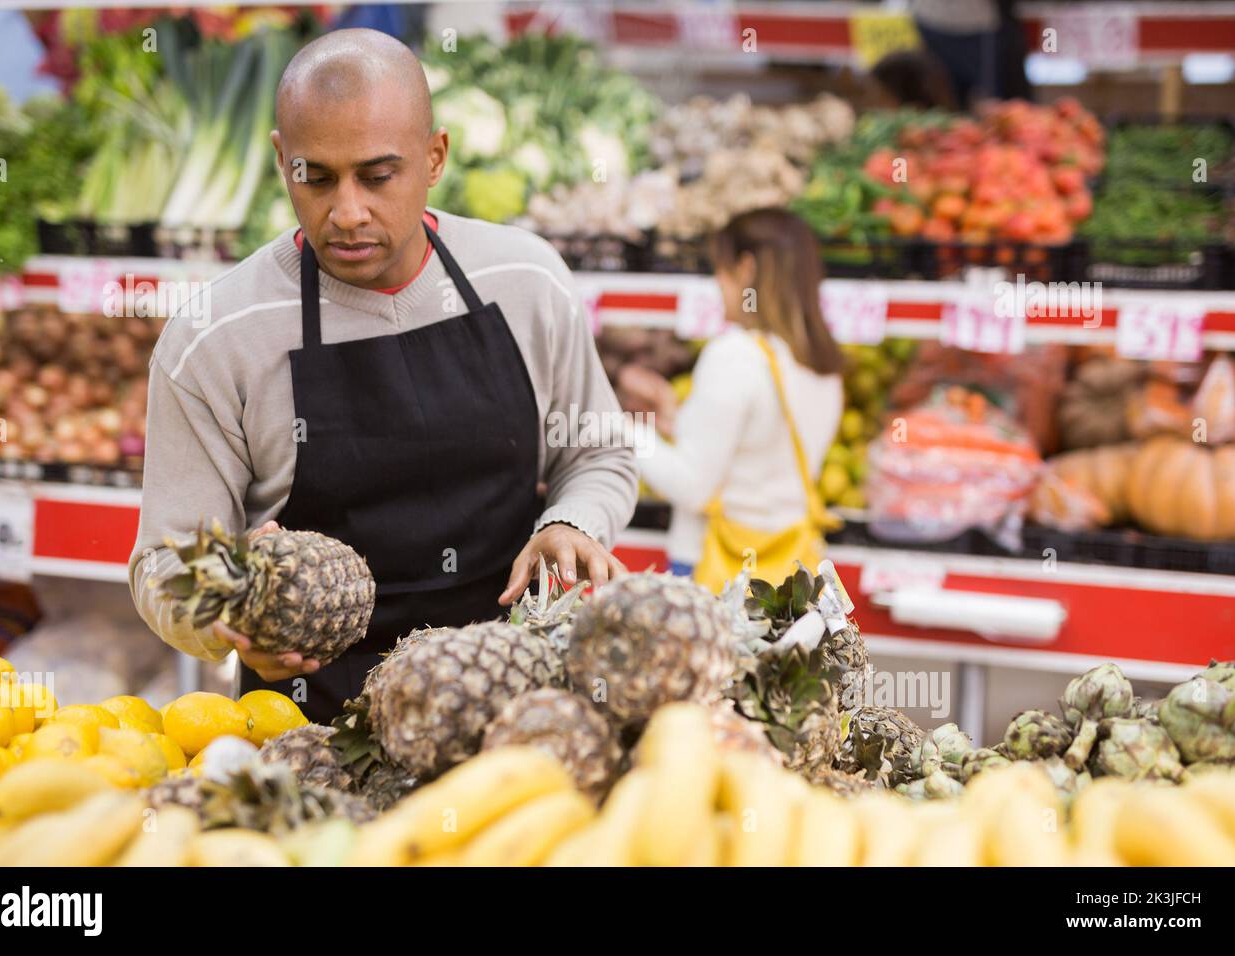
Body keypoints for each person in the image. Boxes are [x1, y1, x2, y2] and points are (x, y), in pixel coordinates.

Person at [129, 30, 636, 722]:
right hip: (314, 732)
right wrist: (226, 611)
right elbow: (162, 565)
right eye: (314, 176)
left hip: (523, 712)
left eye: (377, 175)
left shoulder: (525, 279)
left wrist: (575, 523)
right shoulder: (214, 338)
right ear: (281, 158)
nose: (346, 212)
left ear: (435, 157)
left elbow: (599, 449)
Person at [620, 209, 844, 588]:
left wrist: (617, 427)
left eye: (720, 270)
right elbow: (762, 451)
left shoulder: (734, 354)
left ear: (746, 269)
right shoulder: (823, 364)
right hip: (789, 574)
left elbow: (693, 487)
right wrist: (680, 419)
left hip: (717, 571)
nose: (717, 284)